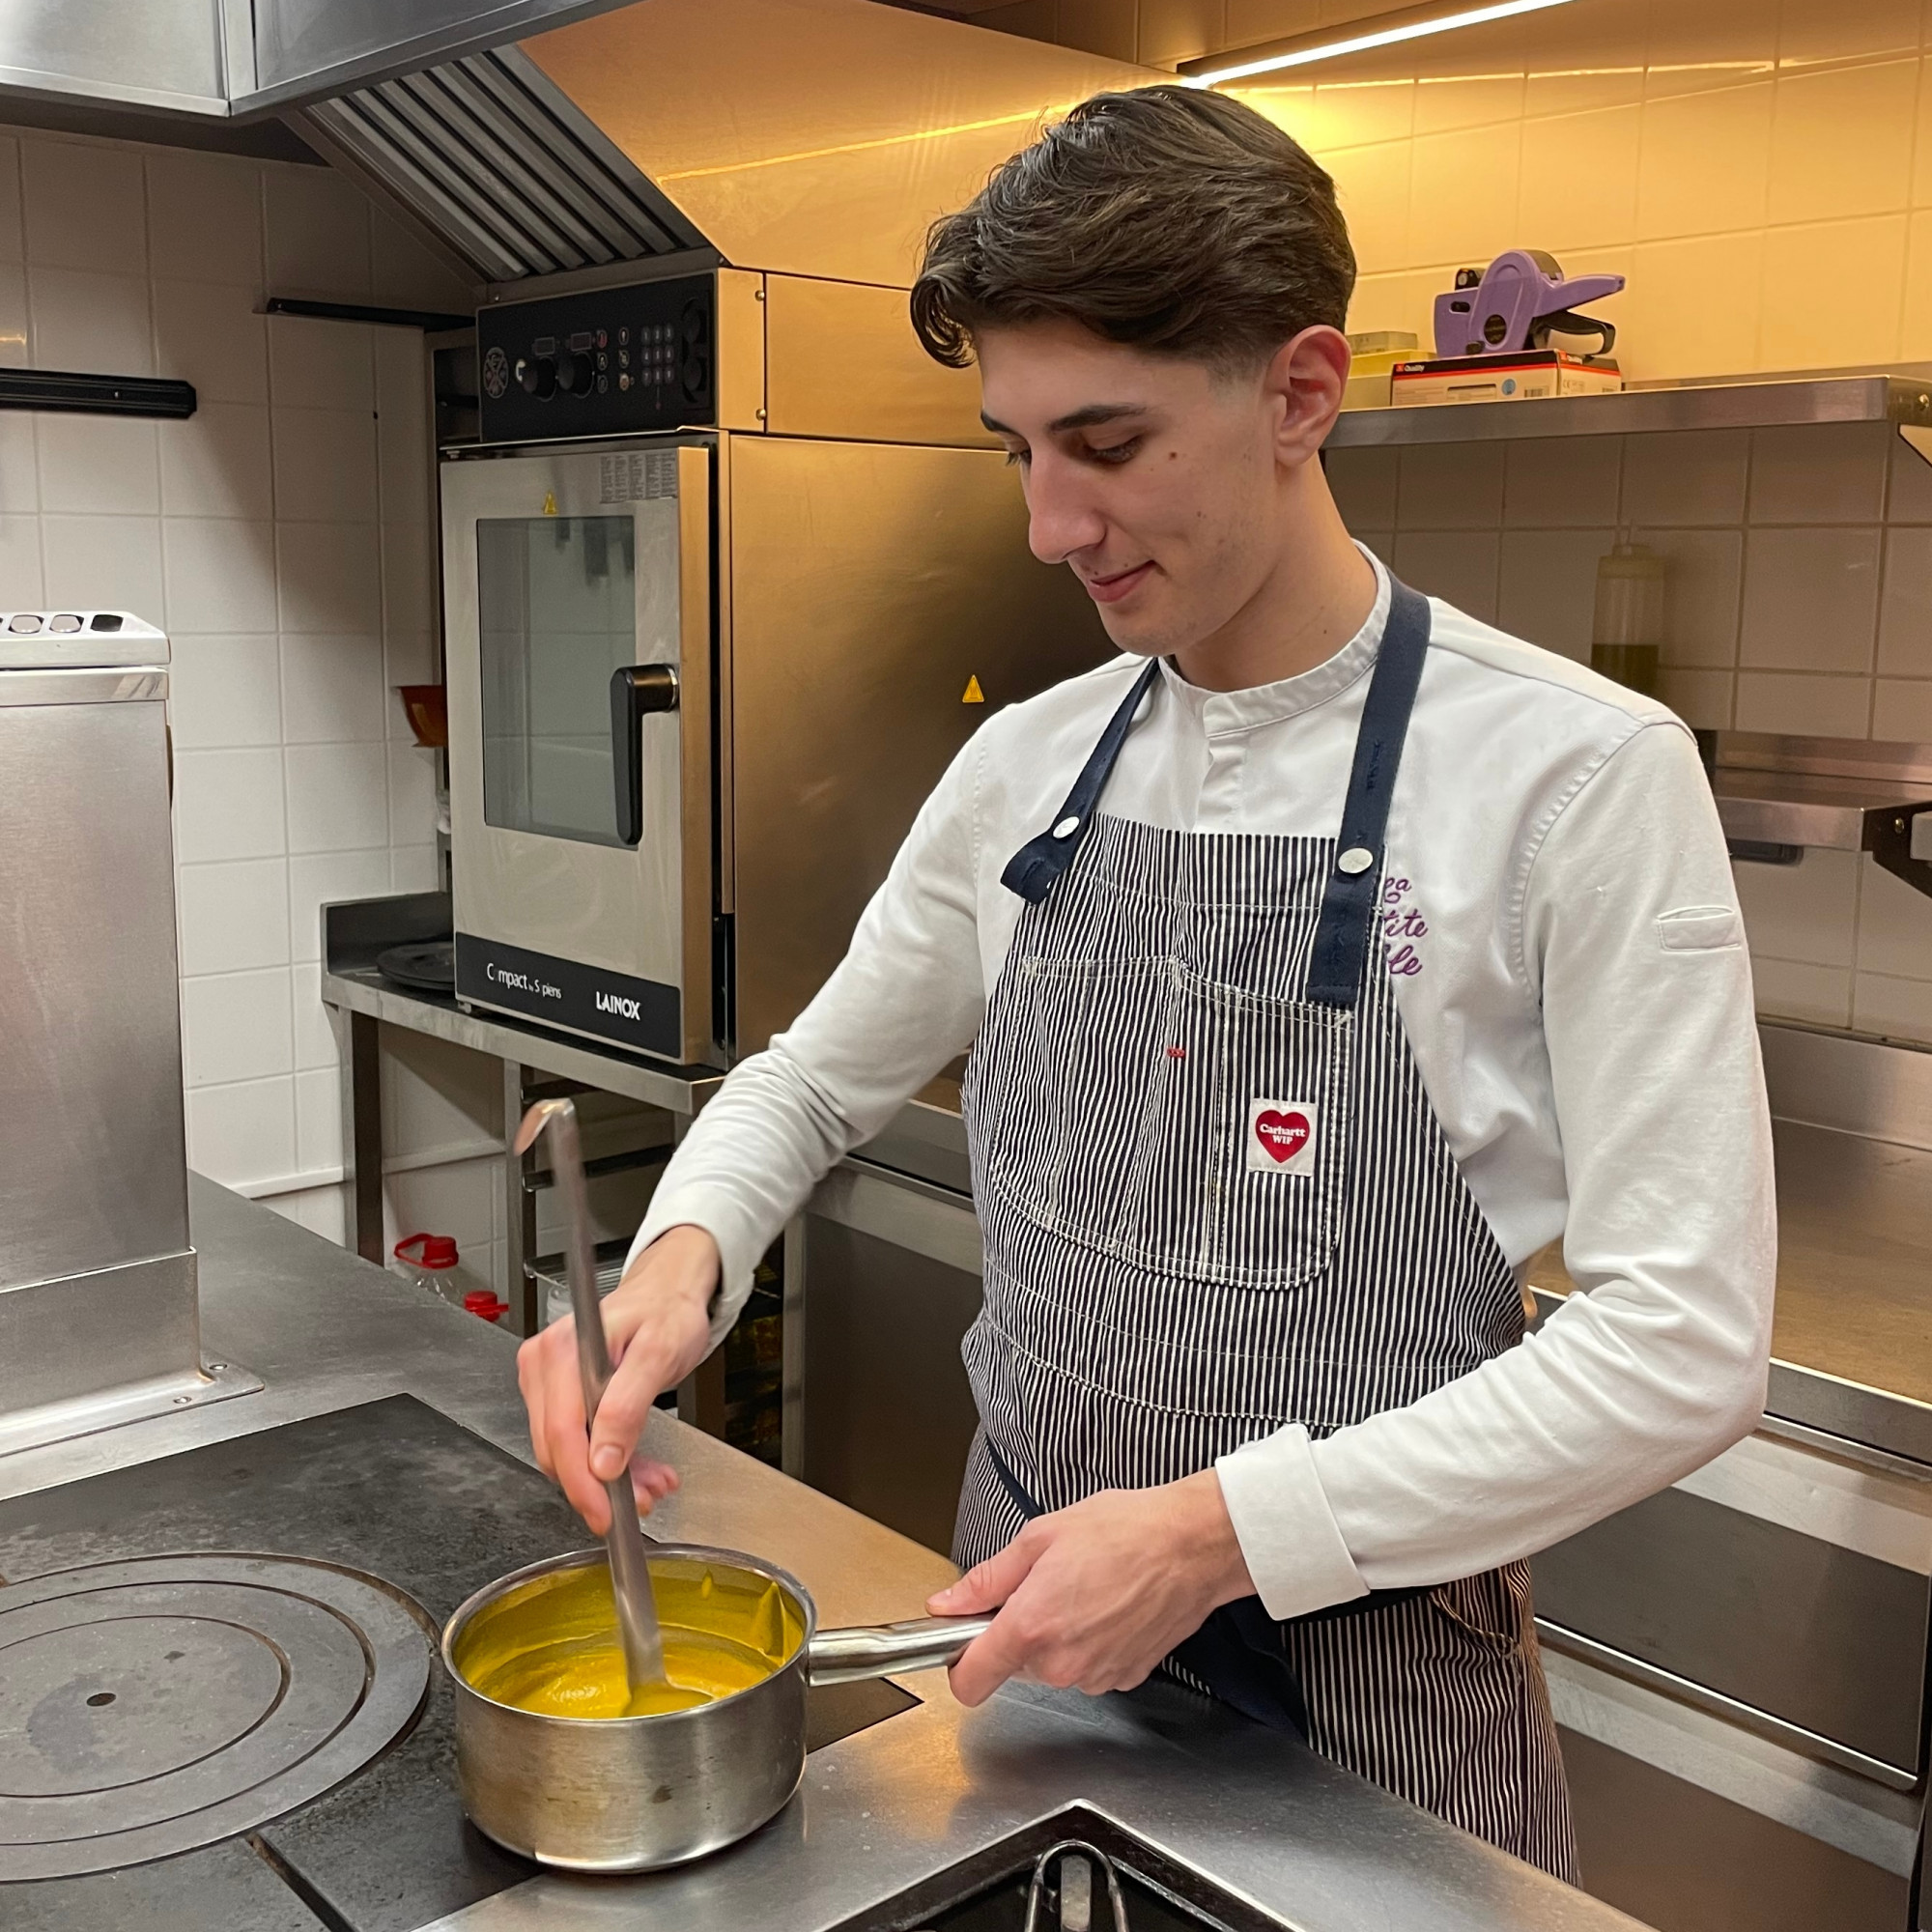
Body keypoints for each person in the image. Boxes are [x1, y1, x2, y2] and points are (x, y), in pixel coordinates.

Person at [517, 84, 1775, 1880]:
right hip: (1025, 1644)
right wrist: (680, 1258)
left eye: (1104, 443)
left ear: (1302, 392)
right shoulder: (1029, 762)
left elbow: (1685, 1347)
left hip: (1380, 1694)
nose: (1049, 523)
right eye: (1015, 448)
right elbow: (809, 1082)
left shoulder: (1577, 773)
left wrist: (1212, 1532)